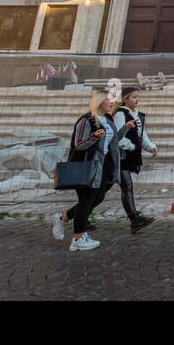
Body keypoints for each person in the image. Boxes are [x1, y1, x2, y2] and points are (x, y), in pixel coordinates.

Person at [52, 90, 121, 251]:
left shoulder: (108, 120)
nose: (111, 102)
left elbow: (112, 142)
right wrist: (94, 137)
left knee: (98, 198)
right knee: (86, 201)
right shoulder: (86, 120)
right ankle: (78, 238)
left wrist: (125, 129)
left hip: (103, 166)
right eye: (107, 100)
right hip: (87, 165)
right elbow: (78, 144)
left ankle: (63, 218)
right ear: (98, 102)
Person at [114, 87, 158, 233]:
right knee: (127, 185)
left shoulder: (136, 115)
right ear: (125, 99)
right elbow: (117, 137)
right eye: (133, 97)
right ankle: (134, 219)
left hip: (129, 156)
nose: (137, 99)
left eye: (137, 96)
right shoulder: (121, 114)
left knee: (103, 193)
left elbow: (141, 135)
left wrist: (150, 146)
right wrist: (130, 145)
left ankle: (134, 220)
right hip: (121, 156)